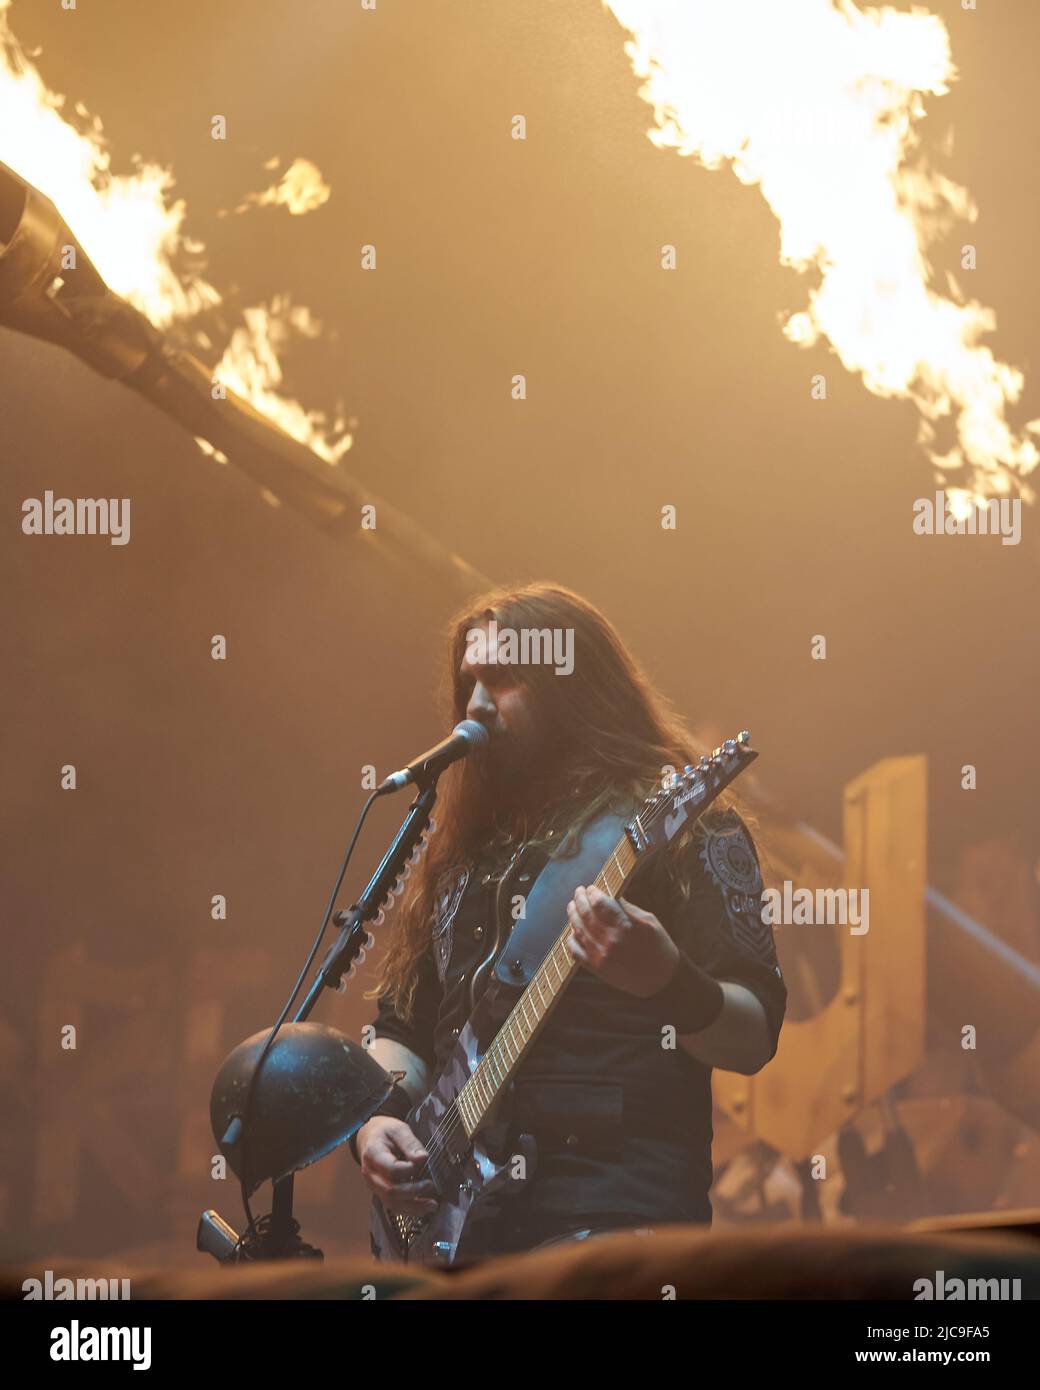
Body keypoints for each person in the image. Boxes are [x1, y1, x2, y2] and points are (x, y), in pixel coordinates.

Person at [349, 582, 786, 1259]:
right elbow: (402, 1026)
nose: (474, 706)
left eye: (503, 680)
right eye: (469, 683)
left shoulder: (686, 829)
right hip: (459, 1240)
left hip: (611, 1224)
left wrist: (669, 981)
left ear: (571, 687)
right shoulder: (461, 854)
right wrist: (377, 1120)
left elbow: (753, 1035)